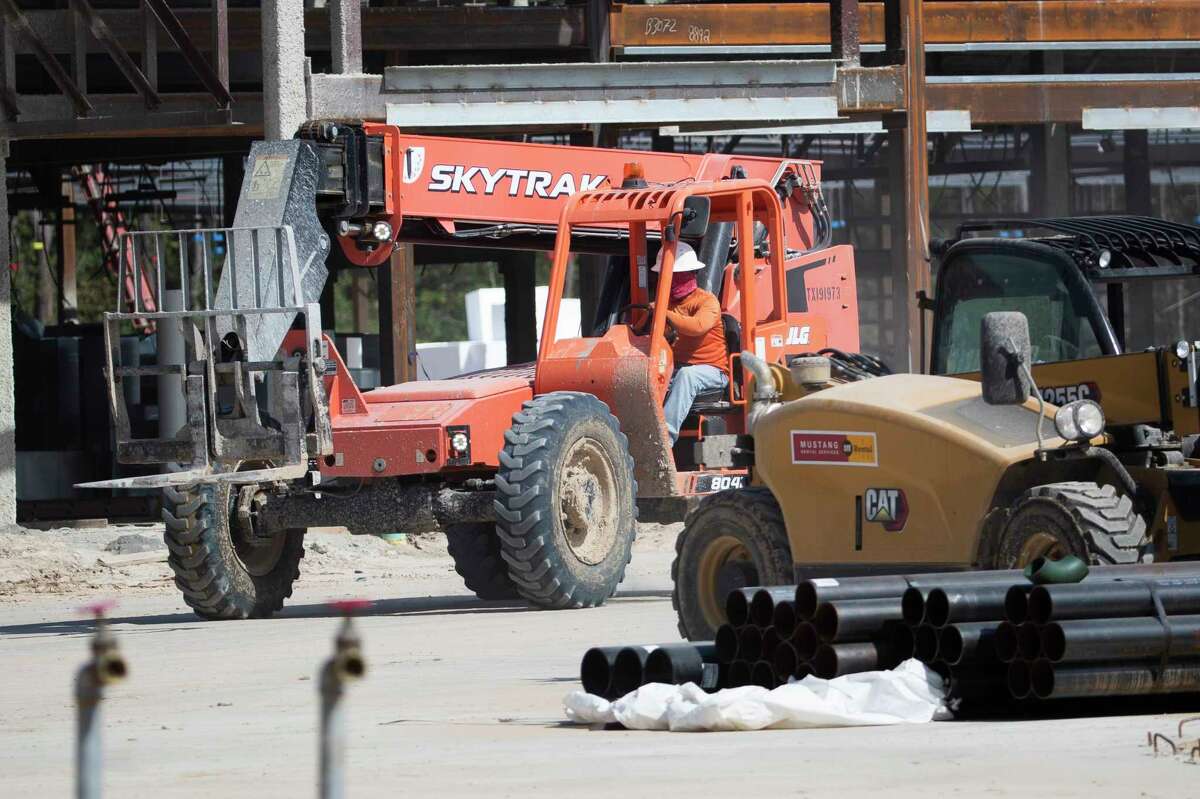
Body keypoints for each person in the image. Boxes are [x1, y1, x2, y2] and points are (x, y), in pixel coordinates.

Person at [652, 240, 728, 444]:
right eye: (670, 276)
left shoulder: (707, 301)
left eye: (679, 276)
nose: (674, 281)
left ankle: (663, 442)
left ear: (692, 274)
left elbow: (696, 327)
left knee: (687, 376)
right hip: (676, 368)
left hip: (712, 372)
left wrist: (662, 313)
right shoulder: (665, 304)